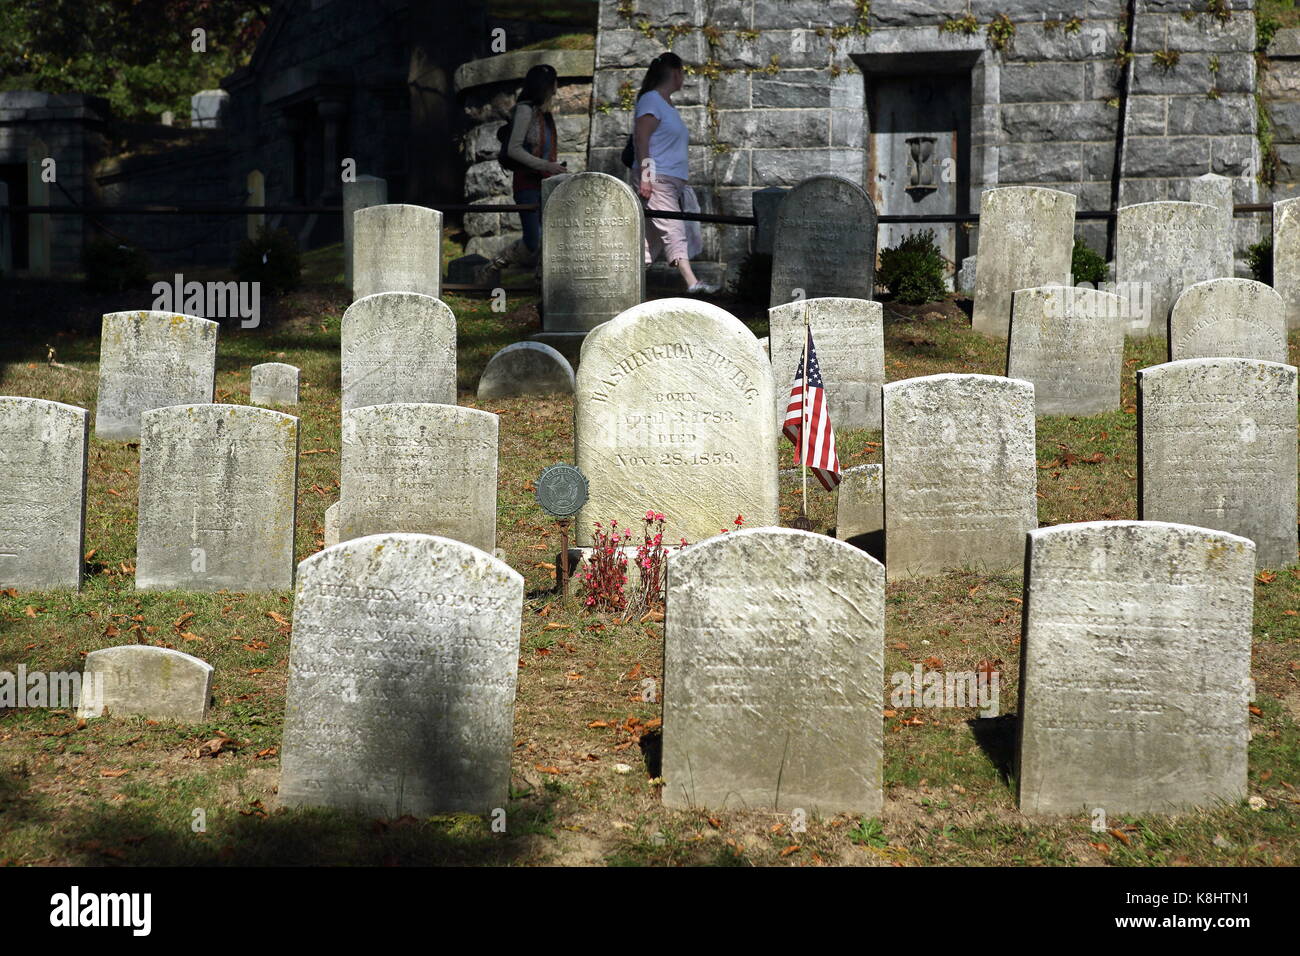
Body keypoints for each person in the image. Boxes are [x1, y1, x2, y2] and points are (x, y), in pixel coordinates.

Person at [633, 52, 717, 294]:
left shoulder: (665, 104)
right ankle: (693, 283)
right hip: (658, 180)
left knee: (650, 244)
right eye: (683, 73)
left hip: (672, 181)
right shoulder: (651, 100)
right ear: (676, 72)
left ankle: (622, 286)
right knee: (674, 229)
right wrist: (646, 177)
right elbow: (642, 138)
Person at [488, 64, 566, 280]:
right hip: (529, 185)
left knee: (550, 239)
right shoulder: (525, 110)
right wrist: (546, 166)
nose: (556, 89)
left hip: (548, 184)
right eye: (554, 83)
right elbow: (514, 149)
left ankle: (542, 284)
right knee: (534, 240)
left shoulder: (544, 114)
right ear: (546, 86)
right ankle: (497, 264)